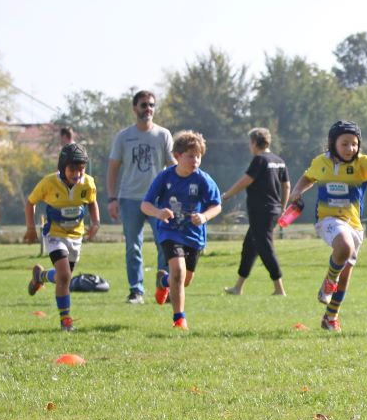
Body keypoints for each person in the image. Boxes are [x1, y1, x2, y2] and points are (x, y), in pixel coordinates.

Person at [283, 120, 367, 332]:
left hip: (354, 225)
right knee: (344, 247)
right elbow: (308, 176)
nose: (350, 148)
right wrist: (297, 191)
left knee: (346, 271)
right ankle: (329, 281)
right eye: (345, 144)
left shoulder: (362, 164)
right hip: (328, 220)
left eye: (354, 144)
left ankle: (331, 317)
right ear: (333, 143)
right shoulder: (321, 162)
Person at [141, 131, 222, 331]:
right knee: (178, 271)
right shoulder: (165, 177)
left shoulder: (203, 179)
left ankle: (163, 281)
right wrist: (159, 213)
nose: (195, 161)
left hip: (194, 236)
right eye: (191, 156)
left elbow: (216, 205)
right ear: (177, 156)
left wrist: (204, 217)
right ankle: (179, 319)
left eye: (198, 156)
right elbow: (145, 205)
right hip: (170, 231)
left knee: (184, 280)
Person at [24, 143, 100, 331]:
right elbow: (30, 202)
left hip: (76, 236)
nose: (77, 174)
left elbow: (92, 202)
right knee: (65, 275)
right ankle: (65, 319)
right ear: (62, 167)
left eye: (81, 169)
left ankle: (40, 276)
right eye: (73, 169)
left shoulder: (88, 183)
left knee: (62, 278)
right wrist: (31, 228)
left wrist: (95, 222)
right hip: (55, 234)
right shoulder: (49, 183)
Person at [107, 90, 173, 304]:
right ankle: (136, 291)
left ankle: (164, 288)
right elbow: (113, 168)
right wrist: (112, 199)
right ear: (135, 108)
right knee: (133, 247)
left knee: (165, 244)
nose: (148, 109)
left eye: (151, 105)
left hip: (158, 201)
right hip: (130, 199)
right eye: (144, 105)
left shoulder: (163, 135)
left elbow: (173, 166)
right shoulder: (124, 136)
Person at [221, 127, 289, 296]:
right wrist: (282, 206)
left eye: (250, 143)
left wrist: (227, 195)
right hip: (273, 210)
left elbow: (246, 180)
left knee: (265, 247)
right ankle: (238, 287)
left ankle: (279, 289)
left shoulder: (260, 160)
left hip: (261, 212)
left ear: (254, 142)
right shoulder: (279, 161)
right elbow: (286, 185)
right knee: (249, 247)